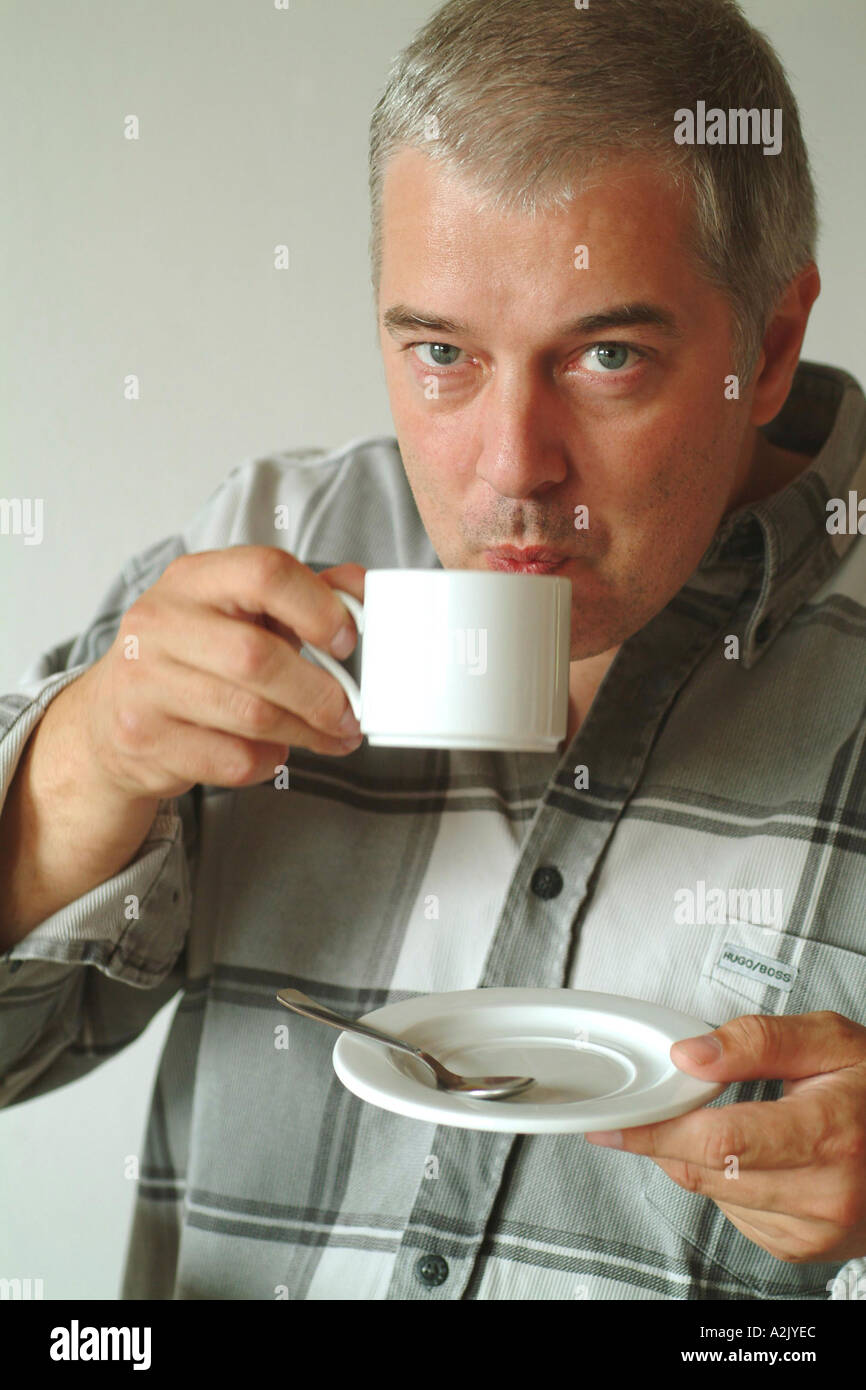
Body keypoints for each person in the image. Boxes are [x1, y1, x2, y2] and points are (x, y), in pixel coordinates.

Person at [2, 0, 865, 1301]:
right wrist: (74, 774)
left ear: (770, 340)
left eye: (609, 355)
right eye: (442, 354)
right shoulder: (267, 547)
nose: (511, 471)